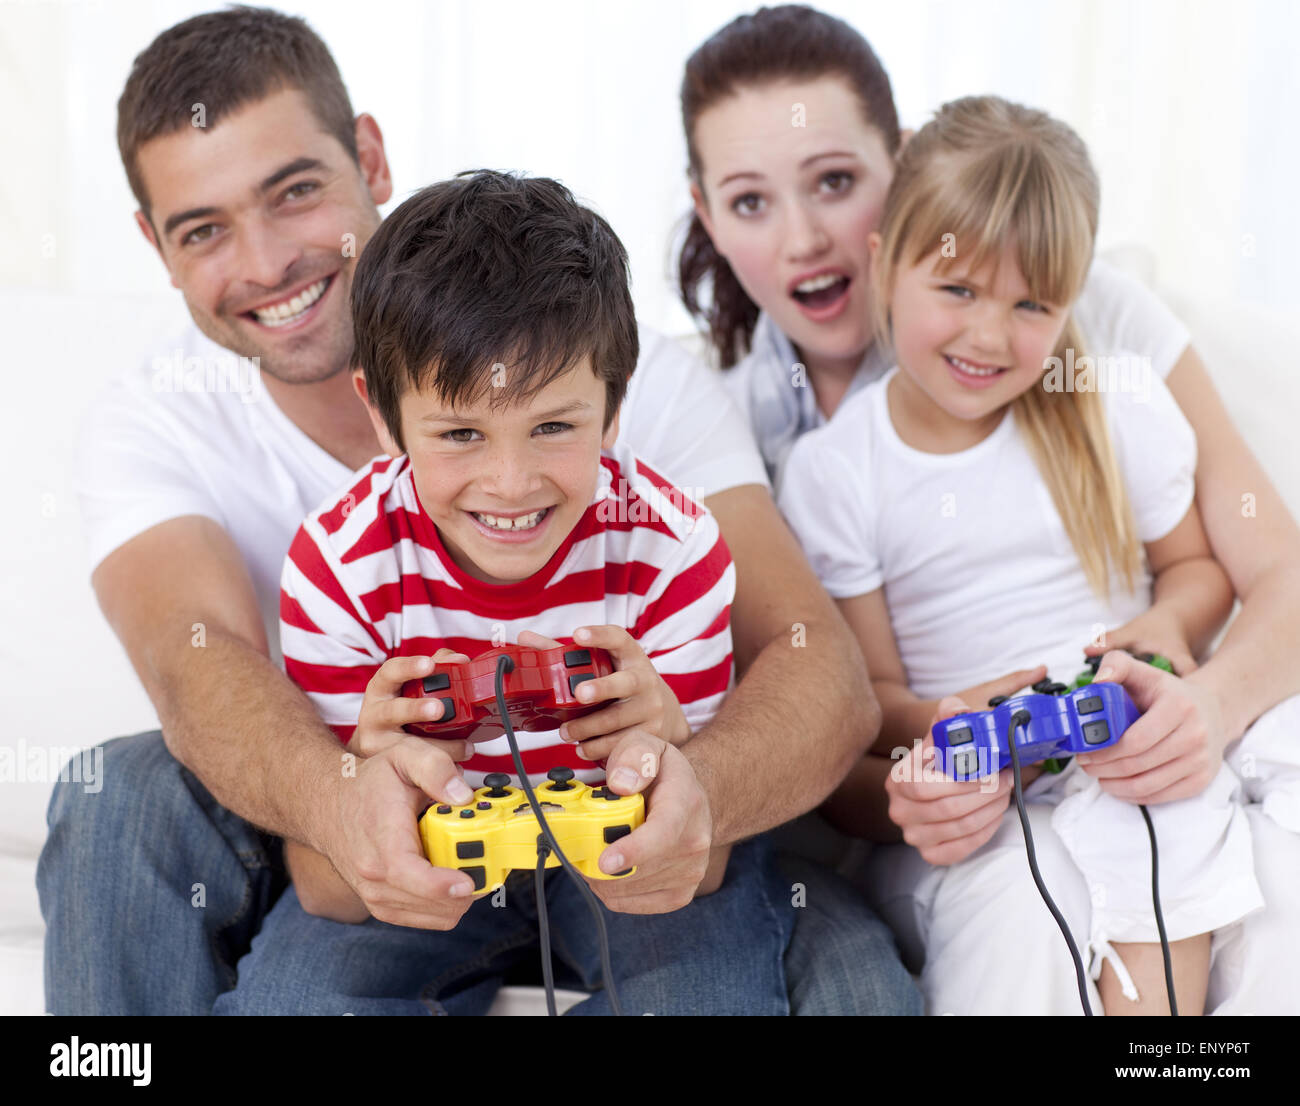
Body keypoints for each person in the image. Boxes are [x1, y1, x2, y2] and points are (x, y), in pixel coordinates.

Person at [38, 6, 918, 1015]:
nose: (269, 258)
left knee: (850, 981)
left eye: (294, 191)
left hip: (625, 833)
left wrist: (694, 786)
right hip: (345, 801)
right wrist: (342, 804)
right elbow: (199, 674)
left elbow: (814, 666)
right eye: (205, 228)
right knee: (122, 793)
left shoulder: (618, 386)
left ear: (368, 156)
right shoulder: (169, 433)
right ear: (153, 244)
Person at [676, 4, 1300, 1013]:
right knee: (1029, 898)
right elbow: (847, 711)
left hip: (1132, 746)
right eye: (750, 201)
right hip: (966, 797)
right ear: (704, 212)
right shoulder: (770, 447)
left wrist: (1192, 677)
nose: (804, 239)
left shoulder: (1089, 361)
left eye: (833, 180)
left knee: (1203, 844)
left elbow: (1245, 569)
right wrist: (945, 746)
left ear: (900, 170)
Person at [210, 171, 795, 1014]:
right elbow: (327, 889)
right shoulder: (340, 565)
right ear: (382, 415)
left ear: (616, 402)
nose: (511, 485)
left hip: (616, 869)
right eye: (459, 434)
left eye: (554, 426)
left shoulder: (673, 548)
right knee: (292, 1002)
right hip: (437, 865)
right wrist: (364, 785)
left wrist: (668, 758)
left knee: (707, 999)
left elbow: (696, 869)